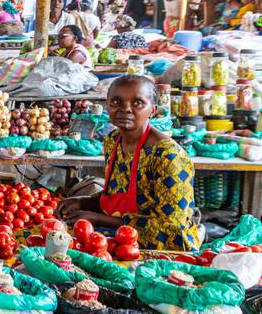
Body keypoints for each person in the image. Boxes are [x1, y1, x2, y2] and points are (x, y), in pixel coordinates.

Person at [58, 75, 201, 250]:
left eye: (137, 103)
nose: (125, 109)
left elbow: (172, 229)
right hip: (118, 233)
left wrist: (99, 219)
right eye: (116, 102)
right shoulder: (113, 140)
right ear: (107, 106)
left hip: (163, 245)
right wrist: (85, 202)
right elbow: (120, 194)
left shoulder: (168, 156)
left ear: (153, 110)